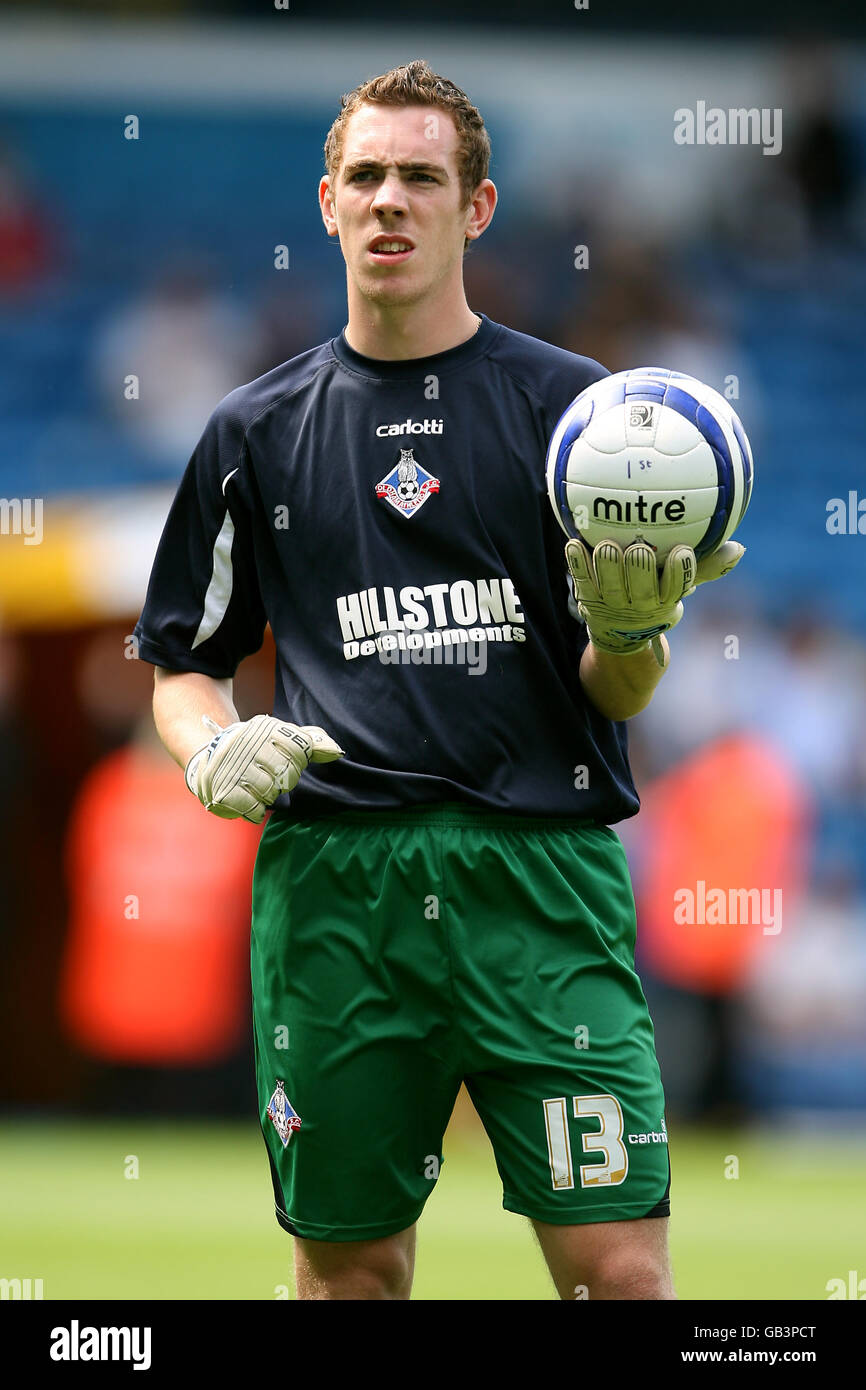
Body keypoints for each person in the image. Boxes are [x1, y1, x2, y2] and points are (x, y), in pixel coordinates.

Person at [134, 59, 743, 1301]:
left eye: (422, 176)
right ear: (325, 201)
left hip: (538, 880)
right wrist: (209, 744)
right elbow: (180, 664)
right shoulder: (251, 432)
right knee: (351, 1274)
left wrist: (634, 631)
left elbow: (615, 693)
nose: (389, 201)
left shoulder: (581, 420)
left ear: (477, 207)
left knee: (618, 1273)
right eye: (366, 176)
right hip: (337, 891)